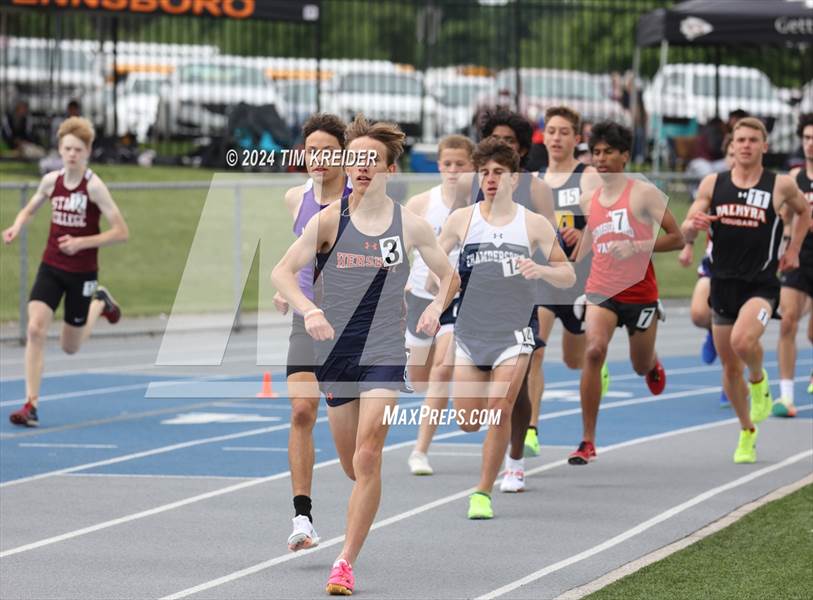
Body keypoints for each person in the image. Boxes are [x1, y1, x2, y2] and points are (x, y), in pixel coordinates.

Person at [272, 115, 459, 595]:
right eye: (355, 159)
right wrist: (309, 310)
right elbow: (282, 273)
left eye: (371, 160)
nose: (361, 167)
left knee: (370, 454)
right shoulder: (330, 220)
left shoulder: (409, 225)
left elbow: (448, 275)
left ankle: (344, 561)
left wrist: (437, 307)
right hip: (334, 351)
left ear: (389, 169)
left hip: (382, 349)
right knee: (354, 465)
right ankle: (361, 507)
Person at [437, 137, 575, 518]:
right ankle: (495, 458)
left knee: (500, 407)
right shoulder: (462, 220)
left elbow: (567, 274)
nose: (491, 179)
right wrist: (432, 302)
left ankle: (482, 492)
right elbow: (434, 260)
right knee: (467, 421)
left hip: (516, 332)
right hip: (469, 331)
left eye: (499, 172)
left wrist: (541, 269)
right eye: (484, 172)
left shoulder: (532, 224)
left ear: (514, 178)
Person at [682, 117, 809, 463]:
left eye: (754, 140)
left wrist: (794, 249)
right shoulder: (714, 182)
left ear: (764, 146)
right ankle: (747, 431)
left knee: (742, 342)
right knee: (728, 368)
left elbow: (804, 213)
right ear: (732, 146)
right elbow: (690, 221)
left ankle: (759, 378)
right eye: (741, 140)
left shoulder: (779, 184)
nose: (747, 145)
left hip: (762, 284)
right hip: (723, 283)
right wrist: (690, 232)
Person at [569, 121, 684, 465]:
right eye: (596, 152)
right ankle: (587, 441)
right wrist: (575, 262)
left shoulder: (644, 193)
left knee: (639, 364)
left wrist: (637, 245)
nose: (600, 159)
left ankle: (652, 363)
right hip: (601, 290)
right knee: (593, 351)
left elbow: (676, 237)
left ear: (624, 156)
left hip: (639, 293)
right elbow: (593, 231)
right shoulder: (588, 198)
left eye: (608, 152)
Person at [3, 117, 129, 427]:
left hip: (82, 273)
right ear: (59, 150)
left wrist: (82, 242)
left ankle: (100, 301)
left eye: (78, 150)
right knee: (34, 329)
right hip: (52, 266)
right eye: (66, 149)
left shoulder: (94, 186)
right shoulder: (51, 181)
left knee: (69, 346)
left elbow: (121, 232)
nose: (71, 155)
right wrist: (16, 226)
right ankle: (31, 404)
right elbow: (30, 208)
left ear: (87, 152)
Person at [273, 114, 351, 552]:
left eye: (327, 150)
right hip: (308, 317)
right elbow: (295, 258)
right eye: (311, 150)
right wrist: (290, 293)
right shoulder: (295, 198)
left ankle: (364, 491)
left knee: (352, 452)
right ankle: (302, 516)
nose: (318, 158)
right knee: (302, 410)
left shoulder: (361, 198)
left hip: (354, 325)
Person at [513, 106, 605, 472]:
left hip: (582, 281)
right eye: (551, 131)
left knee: (574, 360)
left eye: (564, 132)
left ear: (576, 137)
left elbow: (602, 219)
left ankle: (597, 368)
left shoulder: (588, 176)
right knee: (536, 350)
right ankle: (533, 428)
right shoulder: (534, 181)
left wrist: (585, 232)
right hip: (547, 278)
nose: (556, 138)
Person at [405, 134, 474, 476]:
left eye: (460, 164)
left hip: (457, 298)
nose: (453, 171)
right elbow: (398, 246)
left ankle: (420, 450)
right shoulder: (421, 203)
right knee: (418, 379)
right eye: (447, 164)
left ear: (472, 166)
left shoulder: (478, 207)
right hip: (419, 296)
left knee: (441, 372)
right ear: (438, 165)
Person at [677, 135, 736, 407]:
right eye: (732, 154)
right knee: (700, 314)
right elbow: (691, 221)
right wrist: (688, 245)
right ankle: (711, 332)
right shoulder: (715, 187)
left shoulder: (765, 188)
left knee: (735, 333)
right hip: (715, 267)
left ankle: (731, 382)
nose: (738, 159)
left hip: (748, 273)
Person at [775, 113, 813, 417]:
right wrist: (786, 243)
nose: (811, 144)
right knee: (788, 320)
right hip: (799, 255)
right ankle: (785, 396)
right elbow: (785, 217)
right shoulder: (794, 179)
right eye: (807, 138)